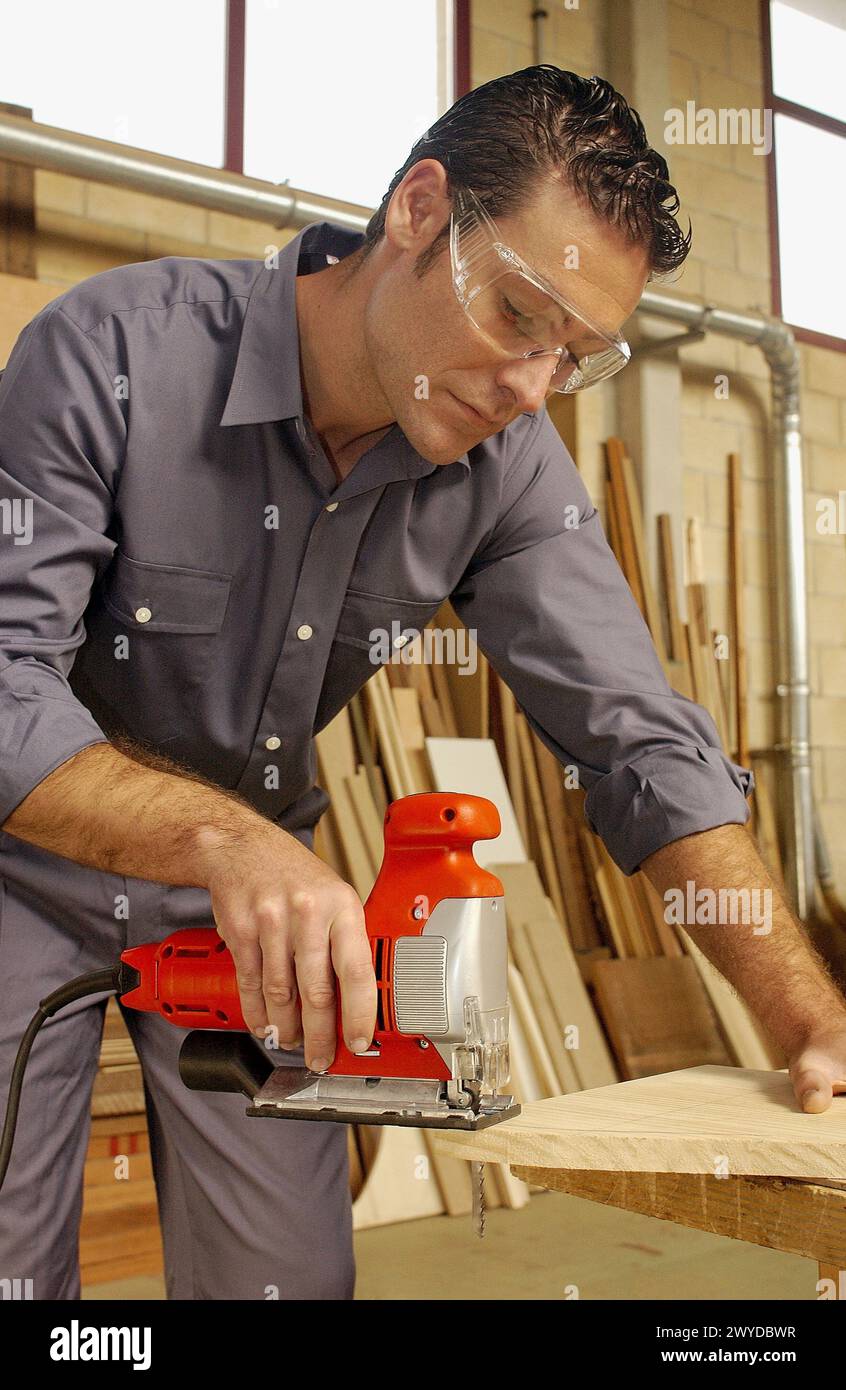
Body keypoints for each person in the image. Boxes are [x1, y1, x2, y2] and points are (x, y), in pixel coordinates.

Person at [0, 66, 843, 1302]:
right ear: (418, 210)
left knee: (286, 1285)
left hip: (260, 915)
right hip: (26, 869)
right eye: (516, 313)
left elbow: (638, 740)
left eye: (573, 358)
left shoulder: (505, 465)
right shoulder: (113, 351)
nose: (525, 389)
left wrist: (803, 1014)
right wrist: (227, 843)